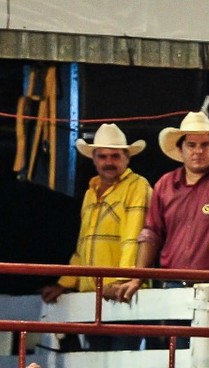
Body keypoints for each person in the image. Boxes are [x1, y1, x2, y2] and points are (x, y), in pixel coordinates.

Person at [120, 111, 209, 302]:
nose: (198, 151)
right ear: (181, 148)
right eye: (191, 145)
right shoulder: (165, 184)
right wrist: (137, 278)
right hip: (174, 284)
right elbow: (151, 233)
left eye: (205, 144)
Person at [41, 123, 151, 304]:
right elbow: (82, 245)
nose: (108, 162)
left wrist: (122, 280)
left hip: (122, 291)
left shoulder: (137, 186)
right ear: (94, 159)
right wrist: (65, 284)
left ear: (127, 158)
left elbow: (133, 239)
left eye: (115, 156)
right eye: (102, 156)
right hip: (93, 294)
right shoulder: (90, 193)